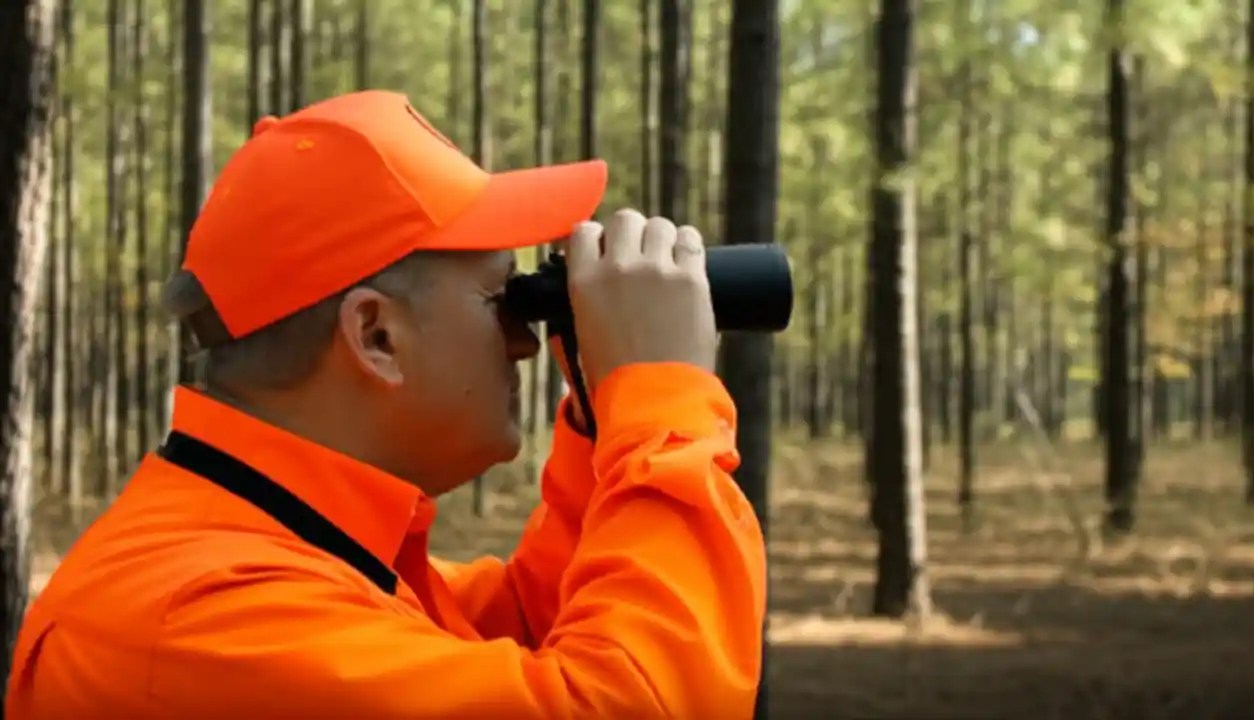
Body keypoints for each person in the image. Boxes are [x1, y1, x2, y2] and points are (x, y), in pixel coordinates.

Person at [6, 90, 766, 719]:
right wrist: (663, 400)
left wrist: (605, 413)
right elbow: (625, 703)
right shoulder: (200, 621)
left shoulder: (293, 551)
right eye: (504, 301)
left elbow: (538, 627)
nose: (528, 345)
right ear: (376, 337)